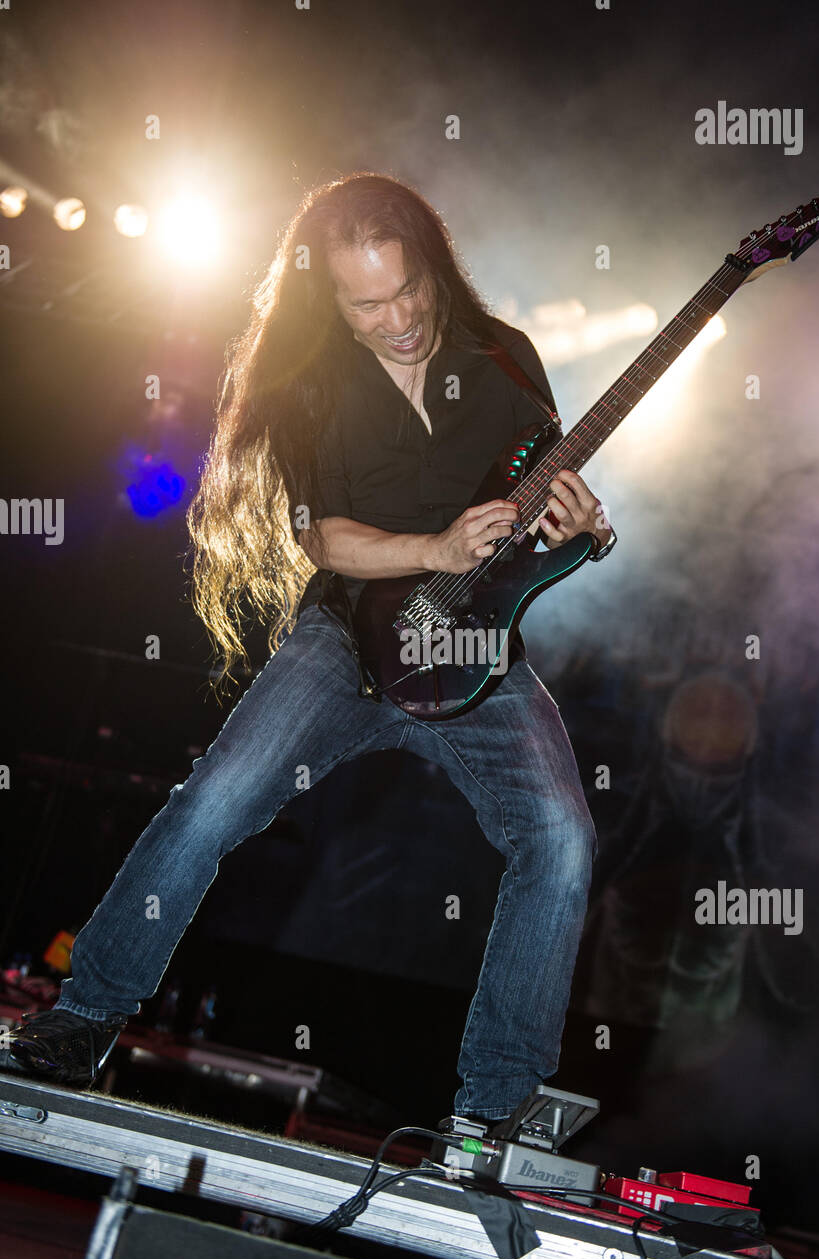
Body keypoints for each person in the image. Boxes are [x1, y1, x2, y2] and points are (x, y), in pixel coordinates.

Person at [9, 172, 610, 1124]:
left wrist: (583, 525)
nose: (399, 317)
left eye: (408, 290)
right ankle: (82, 1020)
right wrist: (432, 548)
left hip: (477, 655)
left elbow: (543, 514)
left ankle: (493, 1108)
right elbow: (321, 536)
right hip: (347, 641)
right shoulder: (309, 381)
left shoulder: (503, 358)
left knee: (563, 841)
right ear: (327, 299)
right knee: (209, 804)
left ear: (433, 267)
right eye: (368, 304)